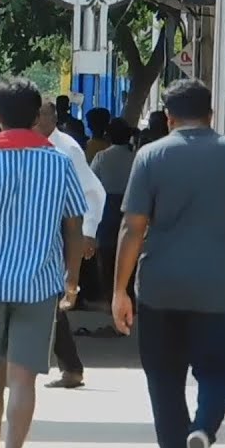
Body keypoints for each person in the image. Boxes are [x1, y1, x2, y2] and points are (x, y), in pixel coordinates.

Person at [112, 78, 225, 448]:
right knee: (218, 372)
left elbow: (132, 227)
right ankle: (203, 430)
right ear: (211, 114)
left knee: (164, 380)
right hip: (219, 289)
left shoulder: (151, 155)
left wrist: (119, 291)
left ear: (168, 118)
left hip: (159, 288)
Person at [0, 77, 88, 448]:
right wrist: (73, 279)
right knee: (23, 378)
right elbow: (74, 228)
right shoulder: (59, 163)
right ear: (36, 117)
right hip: (40, 286)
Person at [36, 101, 106, 388]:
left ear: (51, 118)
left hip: (65, 232)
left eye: (38, 115)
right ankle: (70, 368)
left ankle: (70, 368)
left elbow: (91, 191)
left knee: (51, 301)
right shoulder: (33, 145)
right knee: (50, 303)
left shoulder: (67, 148)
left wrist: (88, 232)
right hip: (46, 233)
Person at [91, 117, 136, 313]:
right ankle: (129, 295)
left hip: (106, 209)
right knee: (130, 252)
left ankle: (110, 296)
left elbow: (92, 185)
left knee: (106, 254)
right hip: (131, 207)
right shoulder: (136, 158)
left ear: (108, 136)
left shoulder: (101, 157)